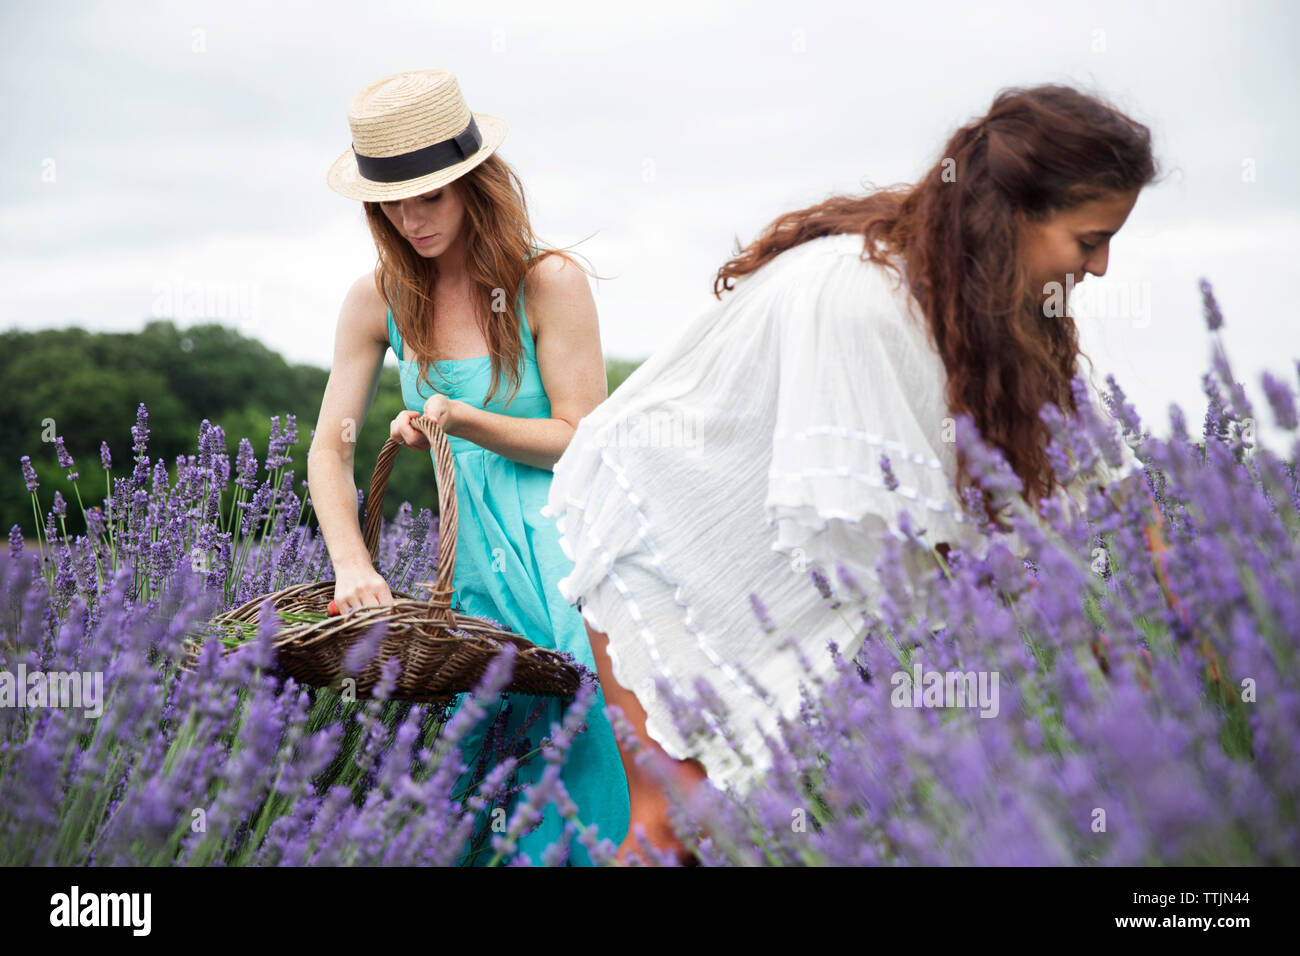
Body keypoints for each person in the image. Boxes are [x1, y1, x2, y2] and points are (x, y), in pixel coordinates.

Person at [540, 83, 1163, 862]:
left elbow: (1100, 484)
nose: (1102, 267)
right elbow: (885, 554)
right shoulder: (861, 297)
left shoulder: (998, 312)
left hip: (790, 571)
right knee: (675, 827)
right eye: (1089, 239)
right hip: (668, 552)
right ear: (1015, 215)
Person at [308, 68, 629, 865]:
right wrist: (352, 564)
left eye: (431, 198)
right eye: (390, 202)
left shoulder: (547, 279)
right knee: (473, 781)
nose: (410, 220)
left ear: (473, 184)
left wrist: (465, 421)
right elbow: (330, 446)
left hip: (568, 556)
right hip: (465, 573)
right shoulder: (377, 295)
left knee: (581, 752)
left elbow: (582, 435)